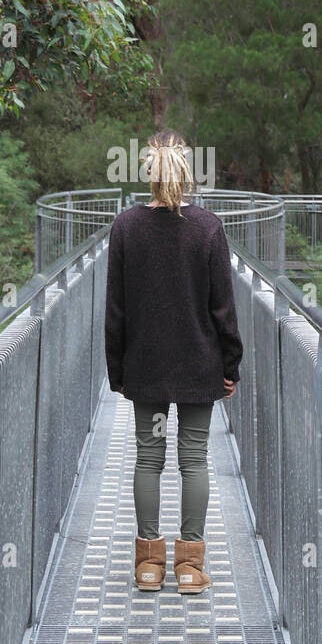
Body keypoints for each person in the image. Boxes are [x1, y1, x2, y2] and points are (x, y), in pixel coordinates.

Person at [104, 129, 244, 595]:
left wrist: (117, 370)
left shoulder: (126, 228)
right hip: (198, 363)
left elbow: (116, 309)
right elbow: (222, 307)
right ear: (187, 174)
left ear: (148, 173)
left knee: (148, 458)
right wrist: (230, 365)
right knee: (194, 458)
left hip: (145, 363)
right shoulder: (208, 229)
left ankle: (148, 565)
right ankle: (188, 566)